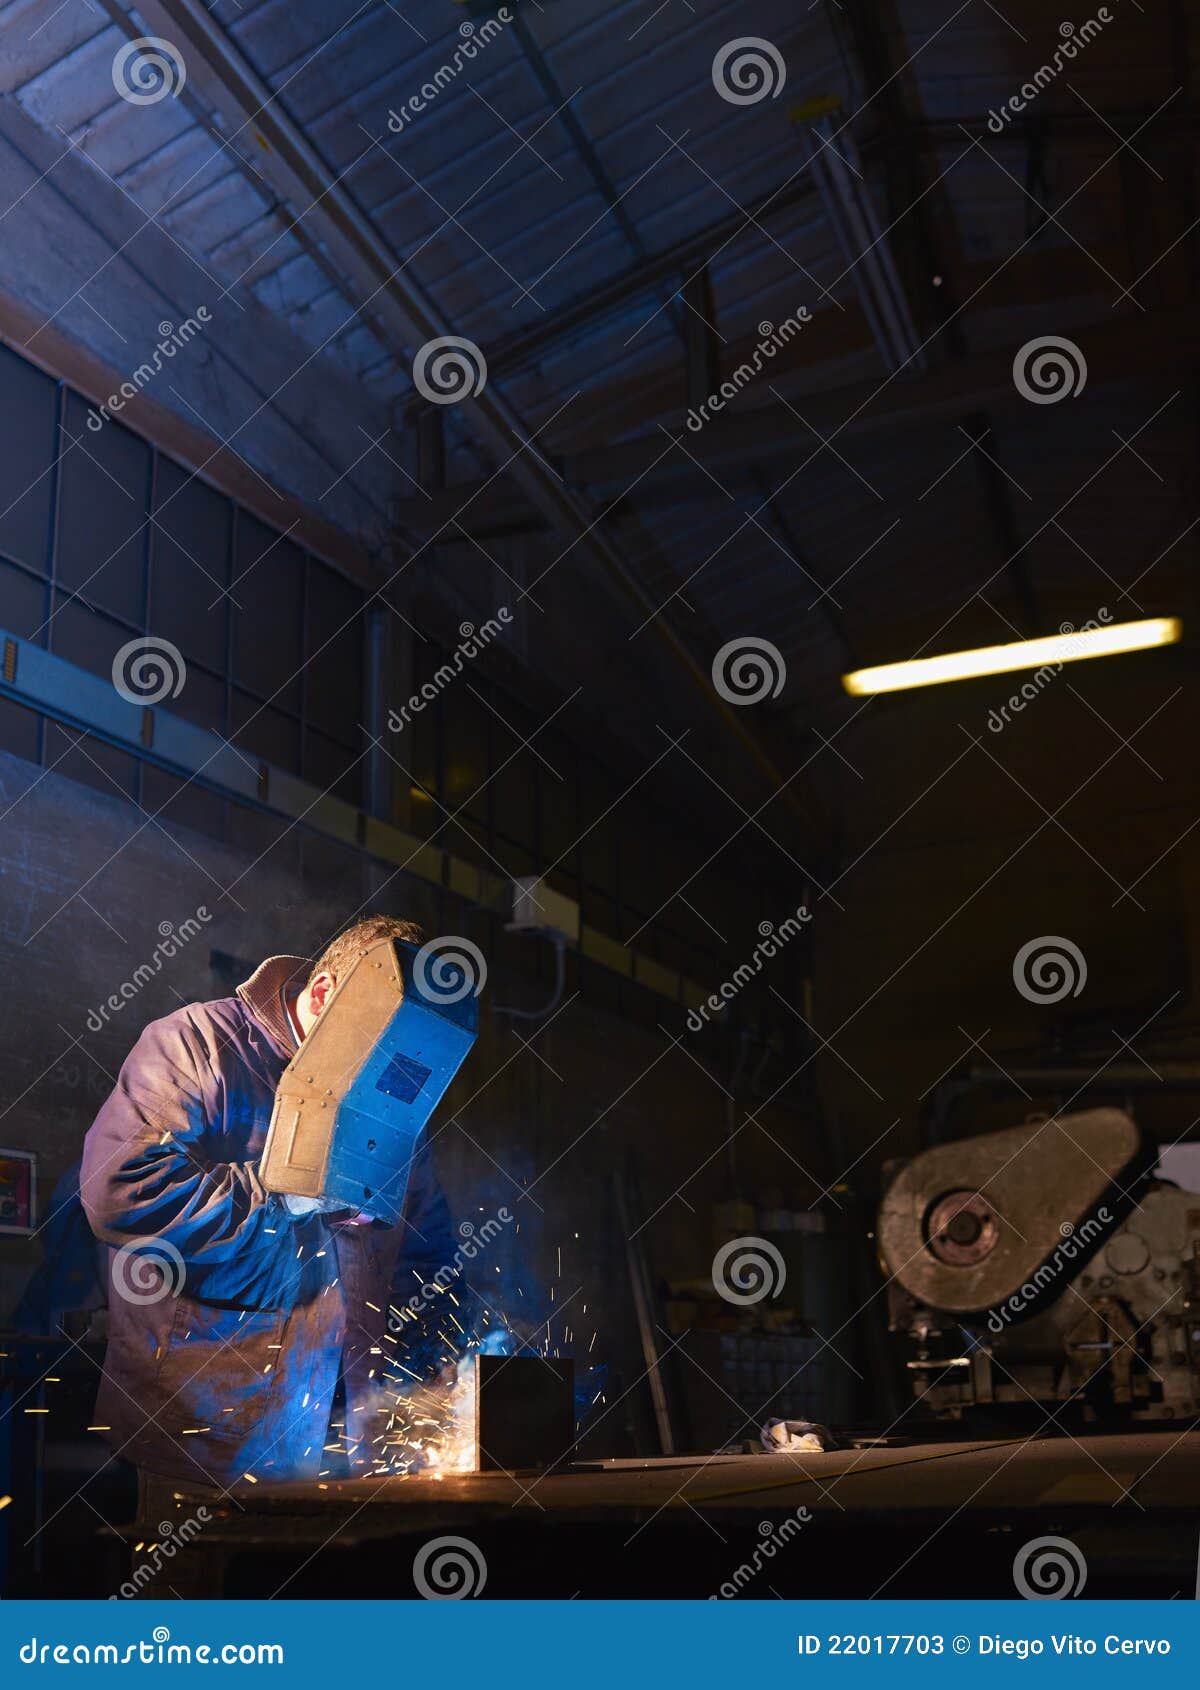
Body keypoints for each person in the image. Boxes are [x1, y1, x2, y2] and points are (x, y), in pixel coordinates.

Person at [79, 915, 456, 1488]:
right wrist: (286, 1195)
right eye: (382, 1054)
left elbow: (427, 1260)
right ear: (327, 995)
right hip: (202, 1440)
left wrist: (438, 1366)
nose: (389, 1085)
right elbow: (121, 1189)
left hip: (346, 1445)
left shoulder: (391, 1106)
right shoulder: (200, 1046)